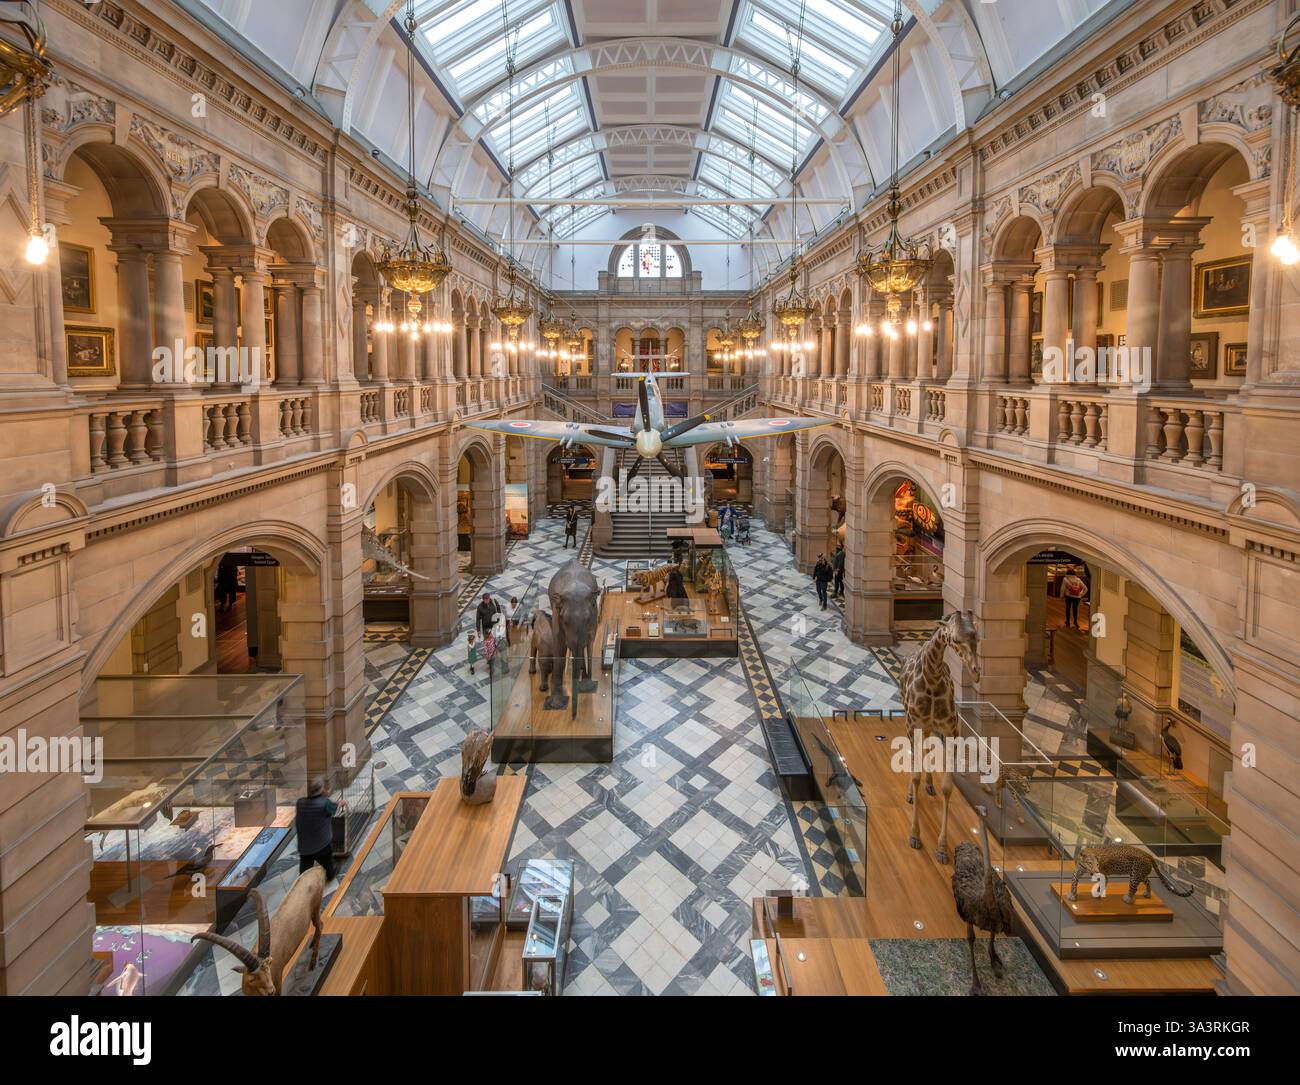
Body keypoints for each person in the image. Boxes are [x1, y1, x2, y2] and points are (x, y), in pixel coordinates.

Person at [295, 778, 337, 882]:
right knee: (329, 869)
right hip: (322, 845)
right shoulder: (325, 803)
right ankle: (330, 873)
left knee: (304, 876)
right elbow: (334, 809)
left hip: (304, 847)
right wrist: (340, 803)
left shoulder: (300, 803)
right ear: (321, 789)